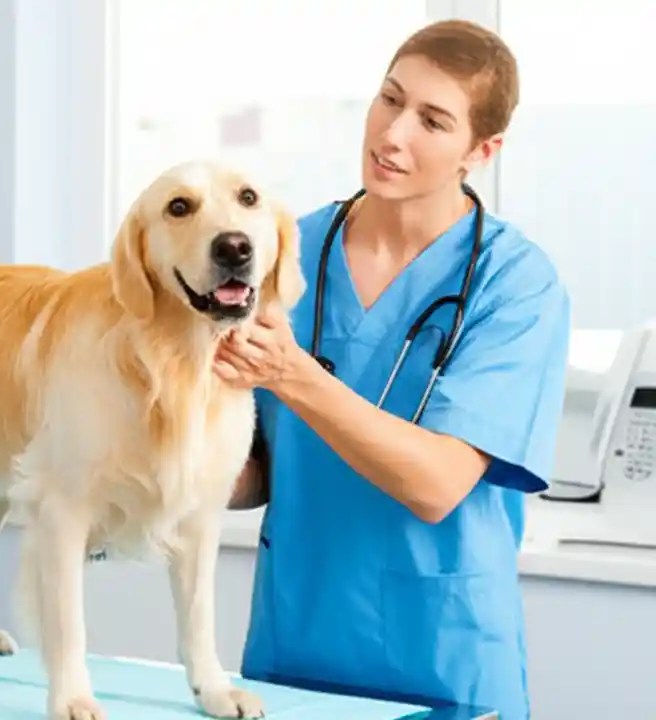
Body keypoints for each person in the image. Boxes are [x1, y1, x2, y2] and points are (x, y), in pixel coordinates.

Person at [216, 19, 568, 720]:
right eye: (390, 99)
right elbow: (253, 471)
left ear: (482, 150)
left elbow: (437, 484)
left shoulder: (515, 284)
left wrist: (293, 374)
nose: (393, 134)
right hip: (295, 656)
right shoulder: (285, 249)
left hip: (443, 668)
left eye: (433, 121)